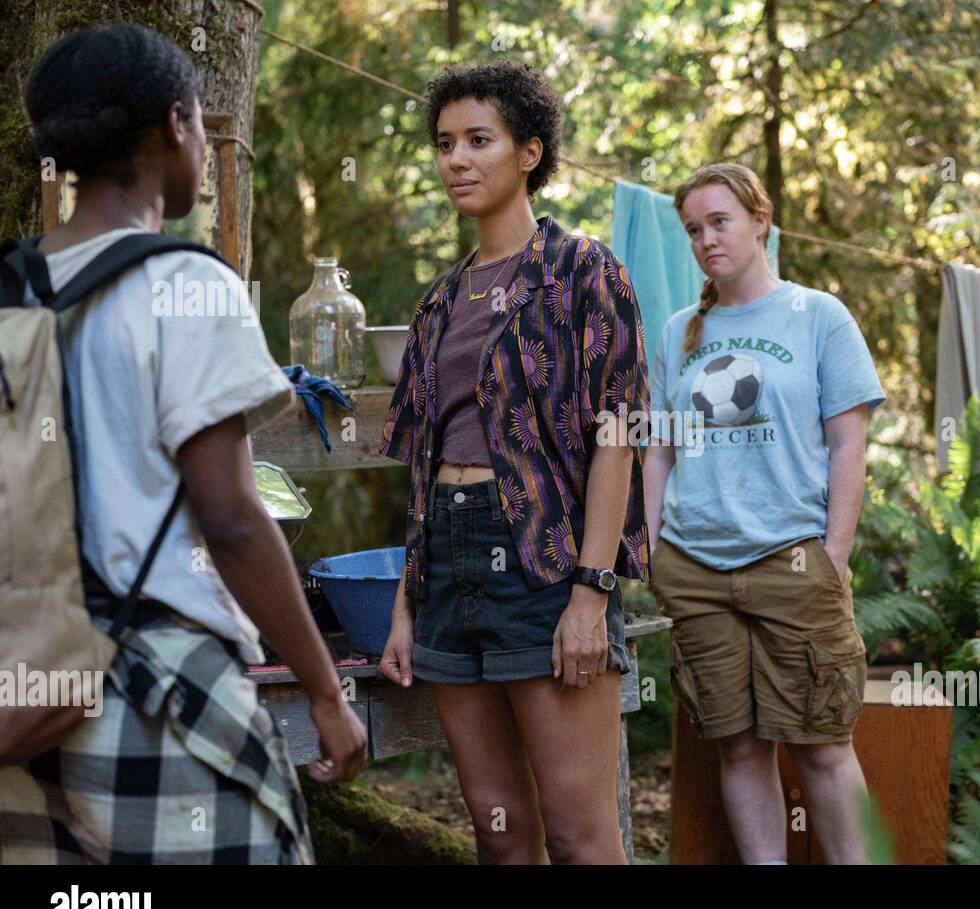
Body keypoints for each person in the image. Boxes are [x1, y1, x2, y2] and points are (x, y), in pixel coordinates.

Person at [0, 24, 366, 864]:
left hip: (24, 694)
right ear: (175, 124)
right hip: (154, 693)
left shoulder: (11, 291)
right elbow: (232, 517)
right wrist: (325, 692)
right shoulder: (187, 282)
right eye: (202, 120)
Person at [376, 60, 649, 865]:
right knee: (500, 834)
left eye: (478, 140)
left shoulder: (583, 273)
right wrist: (403, 601)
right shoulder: (438, 301)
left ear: (529, 152)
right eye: (444, 143)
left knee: (579, 833)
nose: (456, 158)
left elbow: (618, 437)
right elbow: (423, 465)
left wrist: (591, 593)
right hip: (445, 568)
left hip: (544, 562)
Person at [644, 163, 886, 864]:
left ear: (760, 220)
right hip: (695, 569)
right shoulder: (678, 330)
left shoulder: (819, 316)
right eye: (693, 229)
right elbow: (658, 450)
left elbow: (849, 442)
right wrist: (655, 549)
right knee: (740, 746)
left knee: (822, 747)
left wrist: (833, 556)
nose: (706, 239)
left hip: (793, 560)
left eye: (719, 221)